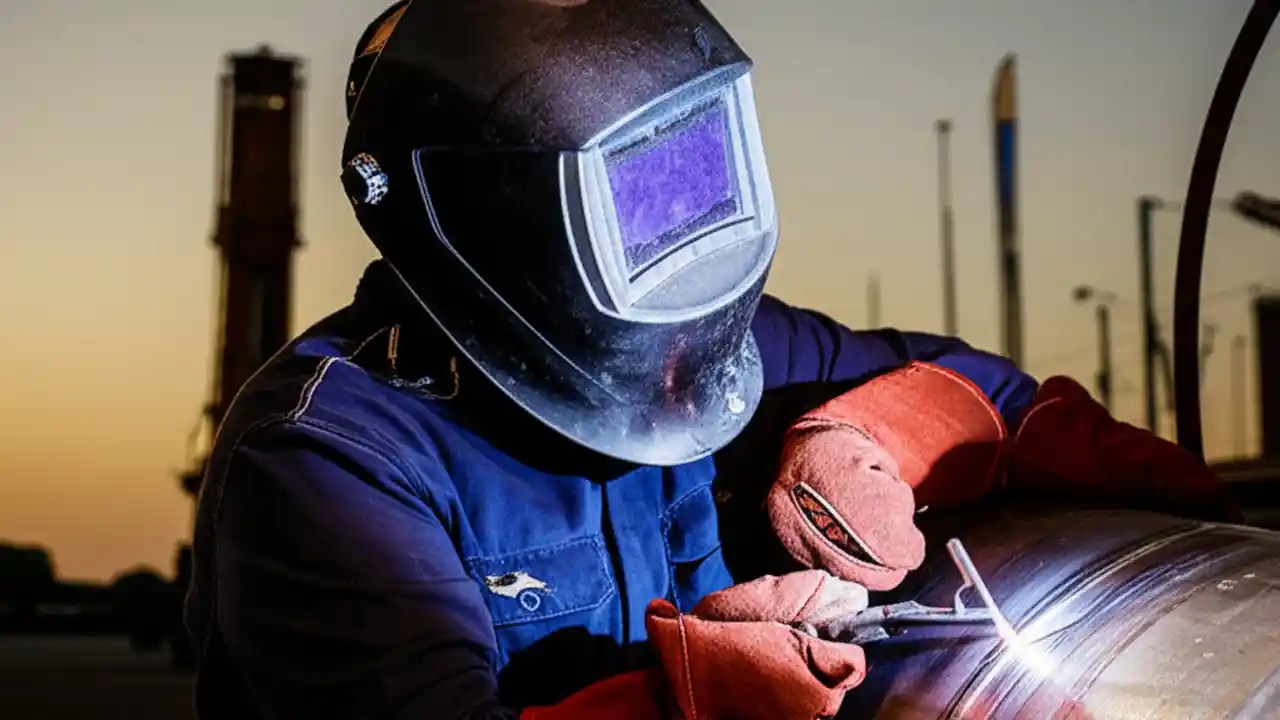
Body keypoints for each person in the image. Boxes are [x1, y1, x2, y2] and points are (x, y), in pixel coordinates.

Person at [184, 2, 1238, 718]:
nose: (679, 230)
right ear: (498, 215)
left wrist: (869, 431)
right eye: (636, 196)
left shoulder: (700, 344)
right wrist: (682, 699)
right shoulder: (327, 464)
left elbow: (988, 395)